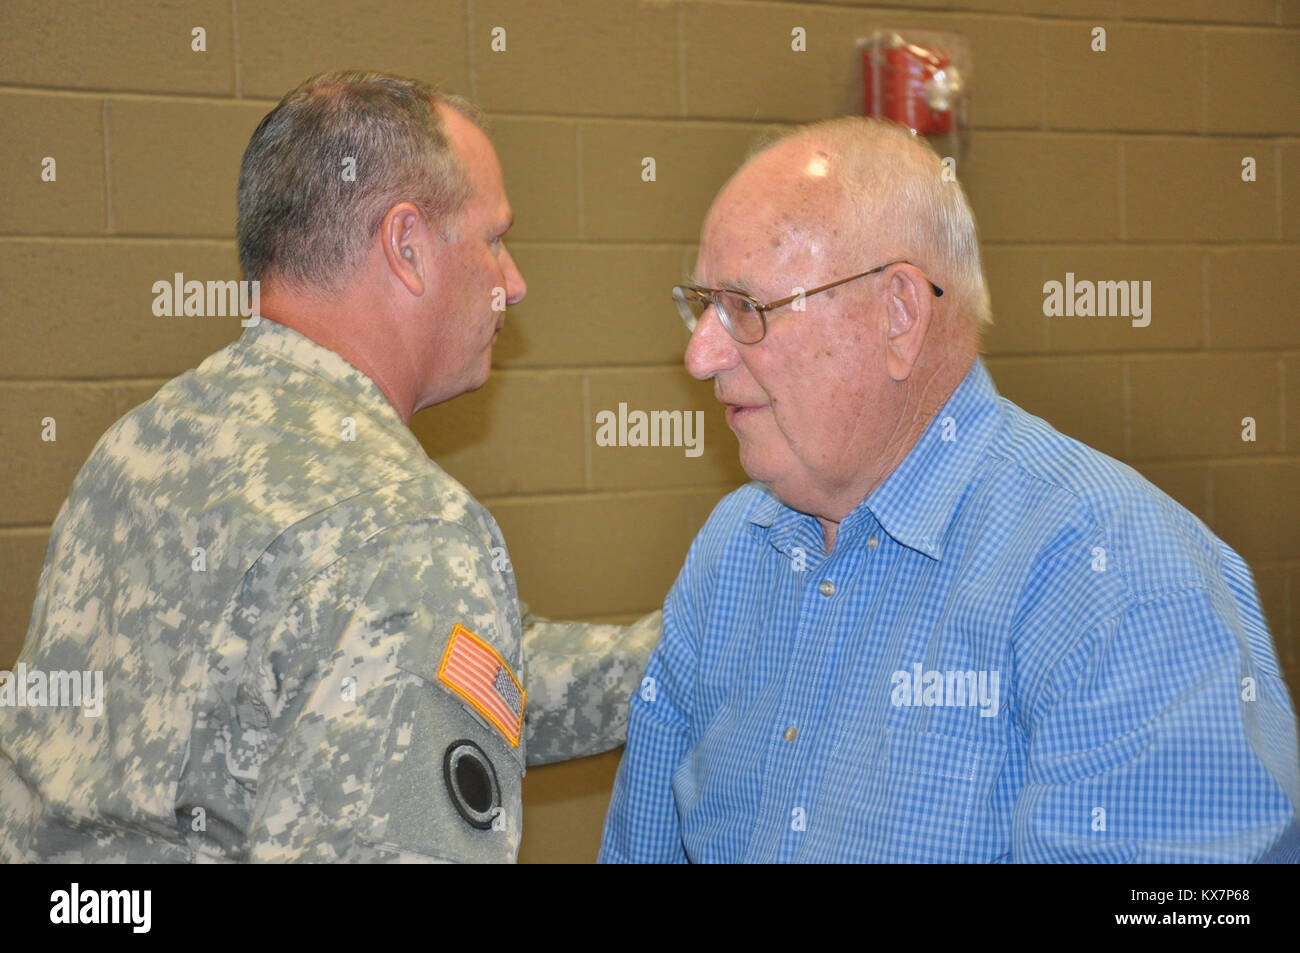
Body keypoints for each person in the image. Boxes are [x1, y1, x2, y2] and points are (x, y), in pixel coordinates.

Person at [599, 117, 1299, 863]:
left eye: (744, 308)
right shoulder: (735, 551)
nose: (700, 354)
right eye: (701, 305)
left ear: (898, 315)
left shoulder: (1115, 571)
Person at [0, 71, 658, 864]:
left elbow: (403, 667)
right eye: (495, 239)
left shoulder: (145, 442)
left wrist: (676, 661)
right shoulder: (403, 526)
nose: (513, 284)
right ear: (407, 245)